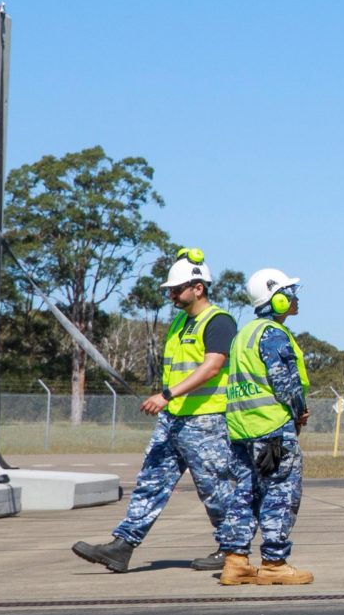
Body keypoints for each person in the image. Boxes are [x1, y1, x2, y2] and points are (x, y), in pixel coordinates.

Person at [71, 249, 249, 576]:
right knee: (151, 481)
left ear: (198, 288)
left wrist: (167, 395)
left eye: (177, 289)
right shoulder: (180, 321)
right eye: (170, 290)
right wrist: (168, 401)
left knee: (215, 488)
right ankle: (122, 546)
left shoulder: (219, 321)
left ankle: (233, 551)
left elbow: (213, 366)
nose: (172, 295)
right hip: (173, 420)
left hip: (206, 421)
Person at [215, 267, 315, 586]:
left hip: (242, 430)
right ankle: (274, 562)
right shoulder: (273, 334)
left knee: (246, 492)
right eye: (289, 293)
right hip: (272, 429)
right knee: (280, 491)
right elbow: (284, 383)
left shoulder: (243, 335)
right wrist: (299, 412)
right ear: (277, 300)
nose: (295, 298)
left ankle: (235, 562)